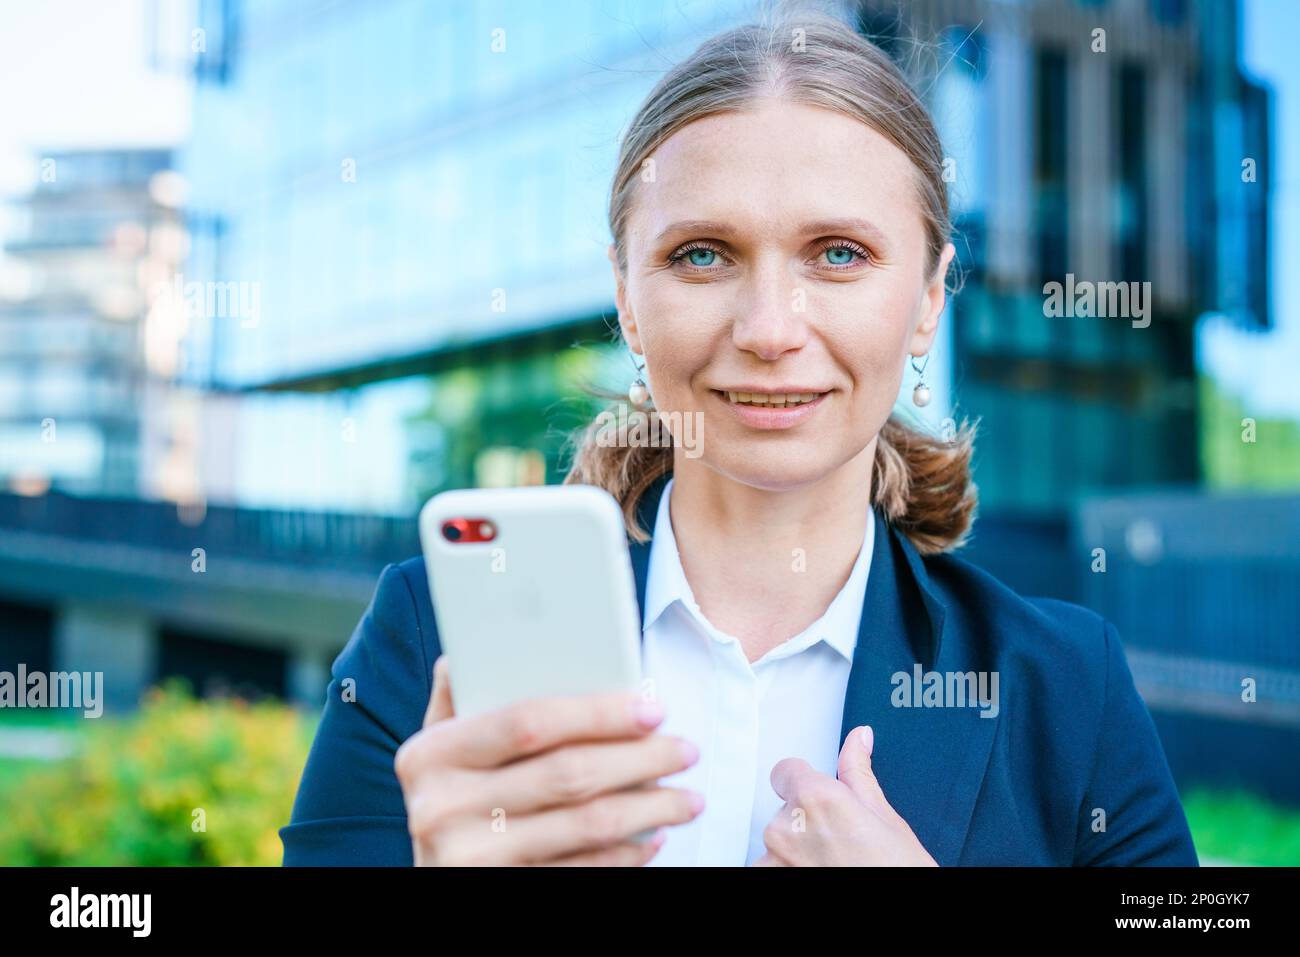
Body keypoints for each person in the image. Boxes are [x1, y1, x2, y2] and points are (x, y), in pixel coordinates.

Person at [280, 11, 1198, 867]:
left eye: (839, 253)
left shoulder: (1071, 688)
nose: (769, 328)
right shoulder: (435, 627)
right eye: (702, 254)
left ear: (926, 300)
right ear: (627, 299)